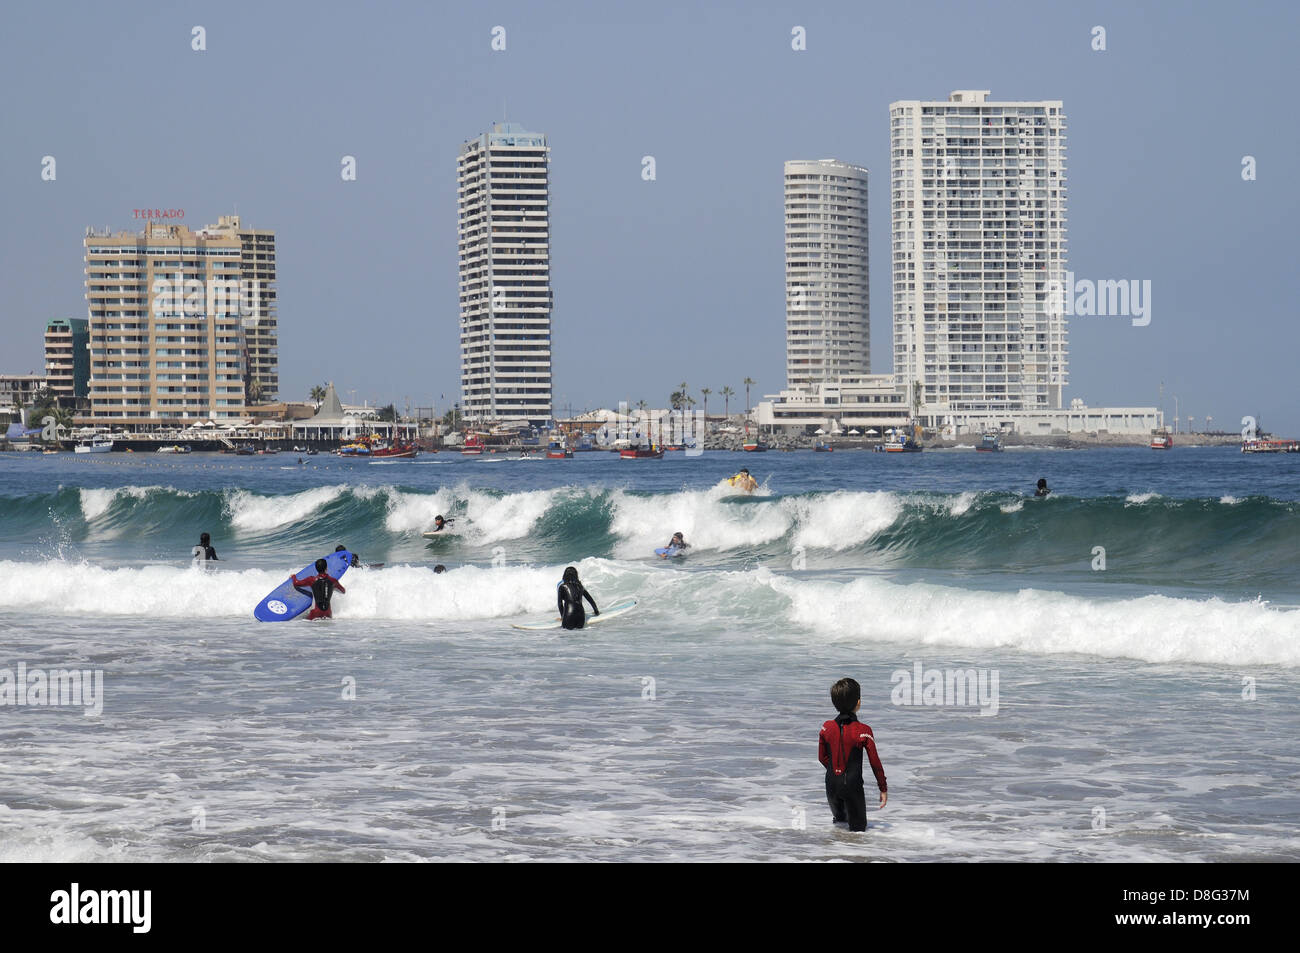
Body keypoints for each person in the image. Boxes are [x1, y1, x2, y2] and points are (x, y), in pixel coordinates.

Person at [818, 677, 887, 832]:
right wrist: (883, 788)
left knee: (839, 827)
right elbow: (875, 762)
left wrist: (836, 771)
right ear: (858, 703)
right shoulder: (864, 730)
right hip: (852, 786)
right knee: (858, 833)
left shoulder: (826, 727)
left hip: (831, 785)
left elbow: (822, 757)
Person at [557, 566, 599, 630]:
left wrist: (562, 617)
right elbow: (591, 600)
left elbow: (560, 604)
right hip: (581, 617)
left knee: (564, 633)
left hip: (569, 616)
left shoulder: (562, 587)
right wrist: (596, 612)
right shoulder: (580, 587)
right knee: (579, 634)